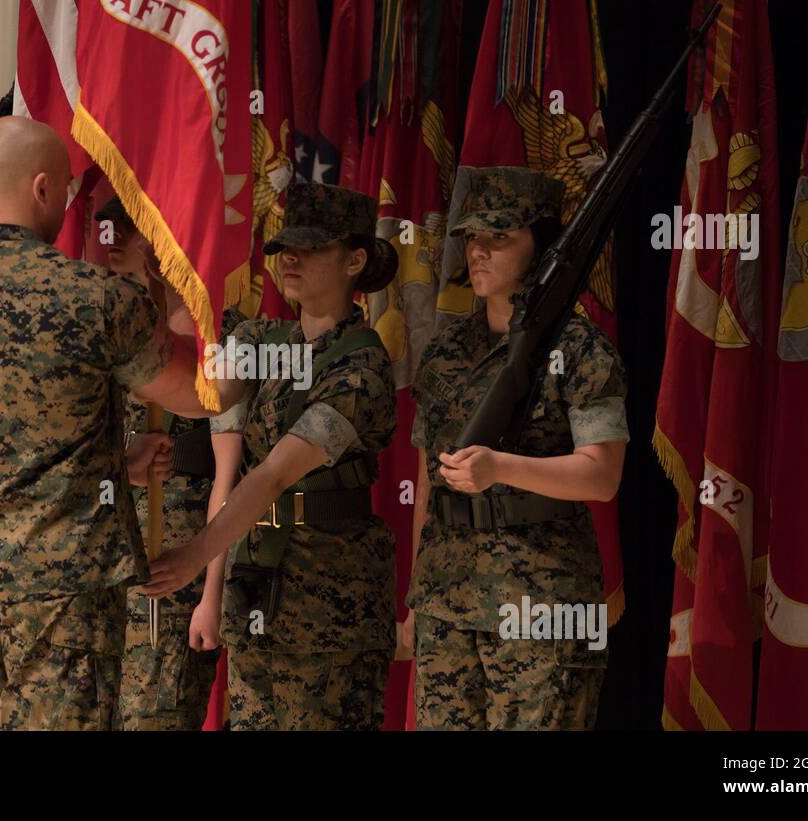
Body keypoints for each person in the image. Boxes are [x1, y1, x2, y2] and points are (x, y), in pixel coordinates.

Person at [0, 117, 209, 730]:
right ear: (43, 189)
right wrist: (198, 306)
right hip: (65, 596)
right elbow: (197, 396)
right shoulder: (92, 297)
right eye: (68, 191)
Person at [145, 183, 398, 730]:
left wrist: (195, 554)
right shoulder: (263, 338)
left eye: (310, 248)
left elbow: (273, 475)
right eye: (286, 247)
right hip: (259, 590)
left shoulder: (362, 367)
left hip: (331, 607)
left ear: (355, 259)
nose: (290, 259)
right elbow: (199, 395)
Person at [401, 166, 628, 730]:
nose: (478, 251)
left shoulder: (579, 348)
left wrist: (501, 467)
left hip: (541, 600)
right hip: (447, 594)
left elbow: (601, 477)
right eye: (472, 238)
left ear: (541, 243)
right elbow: (427, 479)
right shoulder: (445, 353)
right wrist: (415, 595)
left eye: (498, 237)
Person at [96, 197, 221, 730]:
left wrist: (212, 587)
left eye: (132, 228)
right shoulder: (103, 325)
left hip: (173, 562)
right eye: (109, 228)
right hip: (108, 564)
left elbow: (236, 469)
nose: (114, 240)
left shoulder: (210, 328)